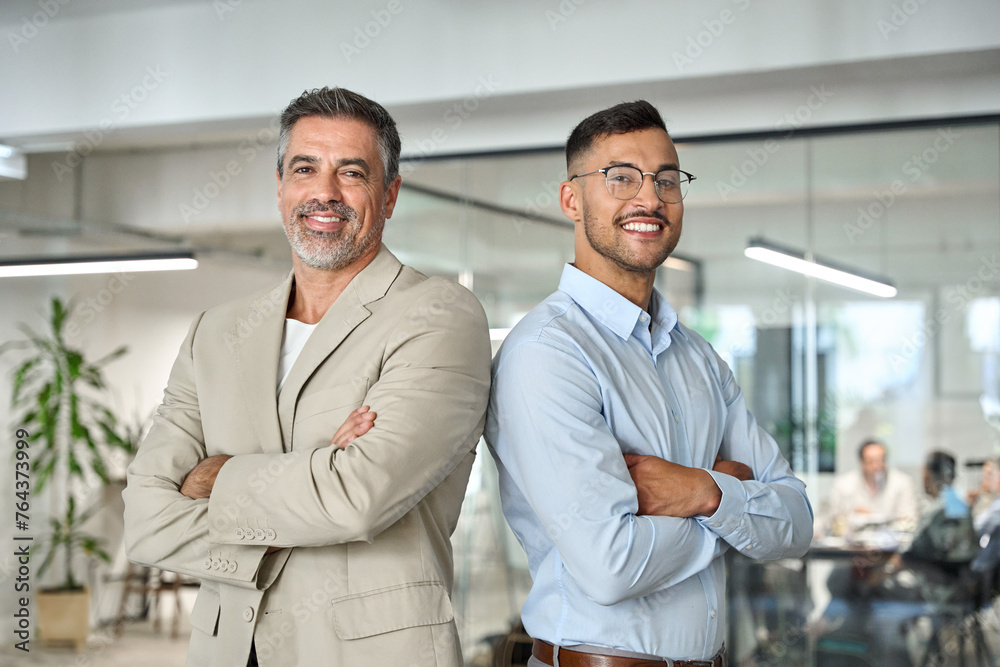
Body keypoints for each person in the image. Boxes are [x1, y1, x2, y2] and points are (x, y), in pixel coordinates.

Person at [123, 87, 491, 667]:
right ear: (280, 188)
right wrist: (316, 474)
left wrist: (215, 478)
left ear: (389, 194)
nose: (324, 192)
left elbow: (356, 498)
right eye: (305, 168)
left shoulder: (439, 315)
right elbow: (146, 521)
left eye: (352, 172)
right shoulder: (216, 333)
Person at [484, 100, 813, 667]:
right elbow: (610, 565)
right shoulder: (547, 354)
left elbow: (797, 521)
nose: (649, 198)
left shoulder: (699, 357)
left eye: (667, 180)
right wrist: (730, 506)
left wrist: (700, 492)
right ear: (571, 198)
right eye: (620, 178)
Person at [828, 438, 919, 534]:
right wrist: (853, 515)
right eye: (871, 462)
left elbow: (909, 519)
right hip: (853, 545)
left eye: (881, 461)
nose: (876, 466)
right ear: (862, 463)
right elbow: (834, 519)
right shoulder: (843, 485)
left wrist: (874, 518)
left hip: (892, 543)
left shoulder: (902, 482)